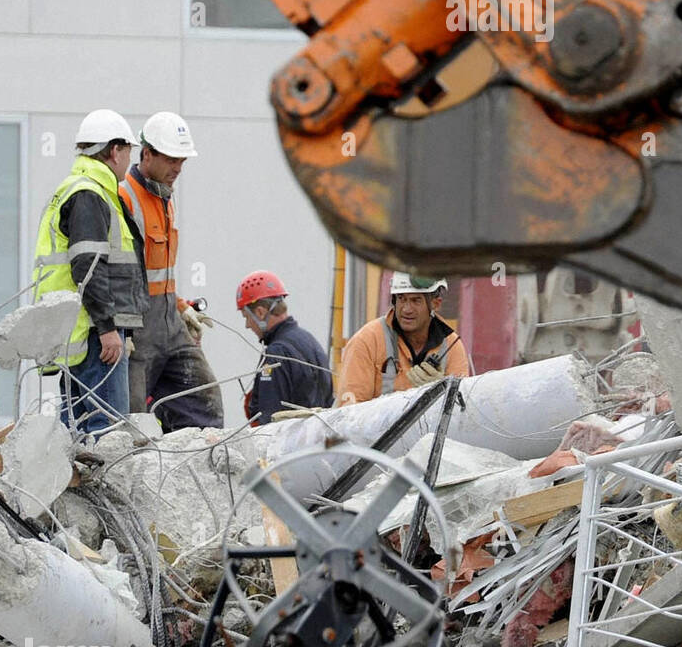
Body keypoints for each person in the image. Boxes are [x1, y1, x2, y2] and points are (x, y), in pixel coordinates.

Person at [32, 110, 147, 437]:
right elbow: (89, 265)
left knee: (77, 432)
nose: (130, 159)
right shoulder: (90, 194)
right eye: (128, 151)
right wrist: (108, 327)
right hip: (97, 334)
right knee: (106, 430)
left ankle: (73, 488)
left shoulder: (82, 189)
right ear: (114, 151)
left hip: (84, 330)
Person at [119, 112, 224, 430]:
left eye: (182, 161)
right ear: (147, 154)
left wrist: (181, 308)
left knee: (204, 402)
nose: (177, 168)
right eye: (171, 160)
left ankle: (200, 469)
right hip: (138, 330)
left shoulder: (165, 198)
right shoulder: (125, 198)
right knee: (132, 419)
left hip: (169, 324)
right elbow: (122, 274)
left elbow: (159, 273)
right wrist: (119, 327)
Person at [337, 272, 469, 407]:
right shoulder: (367, 341)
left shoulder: (451, 346)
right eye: (402, 298)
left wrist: (442, 391)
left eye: (416, 300)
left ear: (435, 303)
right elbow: (349, 412)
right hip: (378, 428)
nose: (406, 309)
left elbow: (462, 413)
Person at [237, 270, 332, 424]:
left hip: (290, 446)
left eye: (247, 317)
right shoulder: (309, 341)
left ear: (260, 313)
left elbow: (269, 421)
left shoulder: (277, 353)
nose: (247, 325)